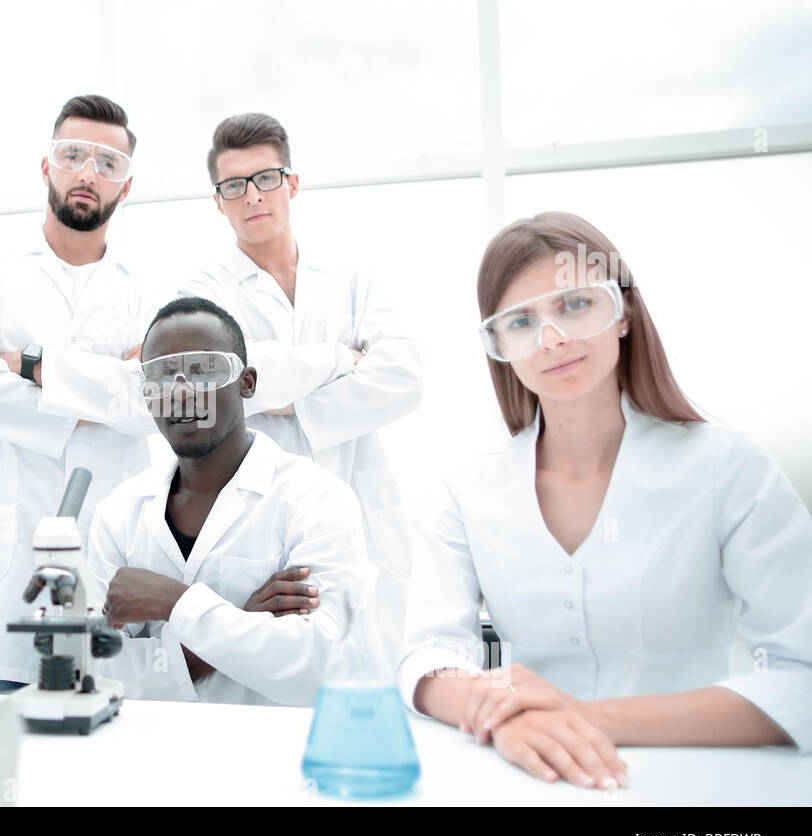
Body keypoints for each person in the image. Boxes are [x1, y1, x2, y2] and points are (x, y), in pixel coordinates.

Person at [398, 211, 812, 788]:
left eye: (574, 305)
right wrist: (494, 714)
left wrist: (583, 720)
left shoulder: (728, 467)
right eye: (521, 321)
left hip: (697, 787)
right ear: (499, 345)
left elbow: (803, 677)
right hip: (528, 777)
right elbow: (424, 658)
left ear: (622, 313)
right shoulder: (469, 491)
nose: (552, 339)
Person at [0, 95, 158, 689]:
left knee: (100, 751)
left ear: (127, 185)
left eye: (108, 163)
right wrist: (105, 386)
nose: (89, 172)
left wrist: (34, 368)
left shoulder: (147, 290)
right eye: (73, 155)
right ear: (46, 167)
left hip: (108, 560)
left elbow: (156, 404)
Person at [87, 297, 395, 705]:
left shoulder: (314, 498)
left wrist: (174, 602)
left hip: (276, 757)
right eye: (162, 376)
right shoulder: (119, 513)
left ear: (246, 382)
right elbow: (95, 675)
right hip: (150, 756)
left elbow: (327, 664)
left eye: (204, 372)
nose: (181, 393)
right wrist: (242, 624)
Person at [178, 112, 422, 601]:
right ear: (217, 202)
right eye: (233, 186)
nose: (251, 195)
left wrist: (294, 403)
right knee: (266, 662)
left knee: (372, 666)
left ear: (292, 184)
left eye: (266, 179)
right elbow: (231, 385)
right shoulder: (201, 291)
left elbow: (405, 378)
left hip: (363, 511)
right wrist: (343, 360)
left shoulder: (353, 276)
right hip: (260, 522)